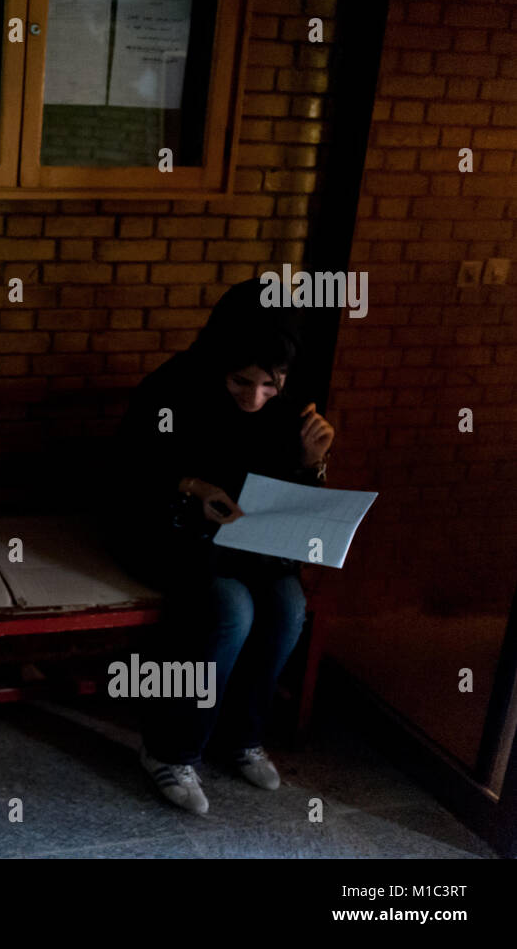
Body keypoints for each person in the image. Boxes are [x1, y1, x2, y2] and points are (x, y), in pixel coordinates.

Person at [110, 279, 335, 815]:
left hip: (244, 541)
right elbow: (126, 476)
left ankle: (241, 737)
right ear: (219, 359)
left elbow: (286, 496)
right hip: (164, 528)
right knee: (231, 607)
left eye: (269, 385)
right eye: (240, 380)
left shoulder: (290, 407)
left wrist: (312, 464)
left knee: (287, 605)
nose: (254, 398)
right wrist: (191, 486)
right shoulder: (173, 388)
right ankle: (169, 750)